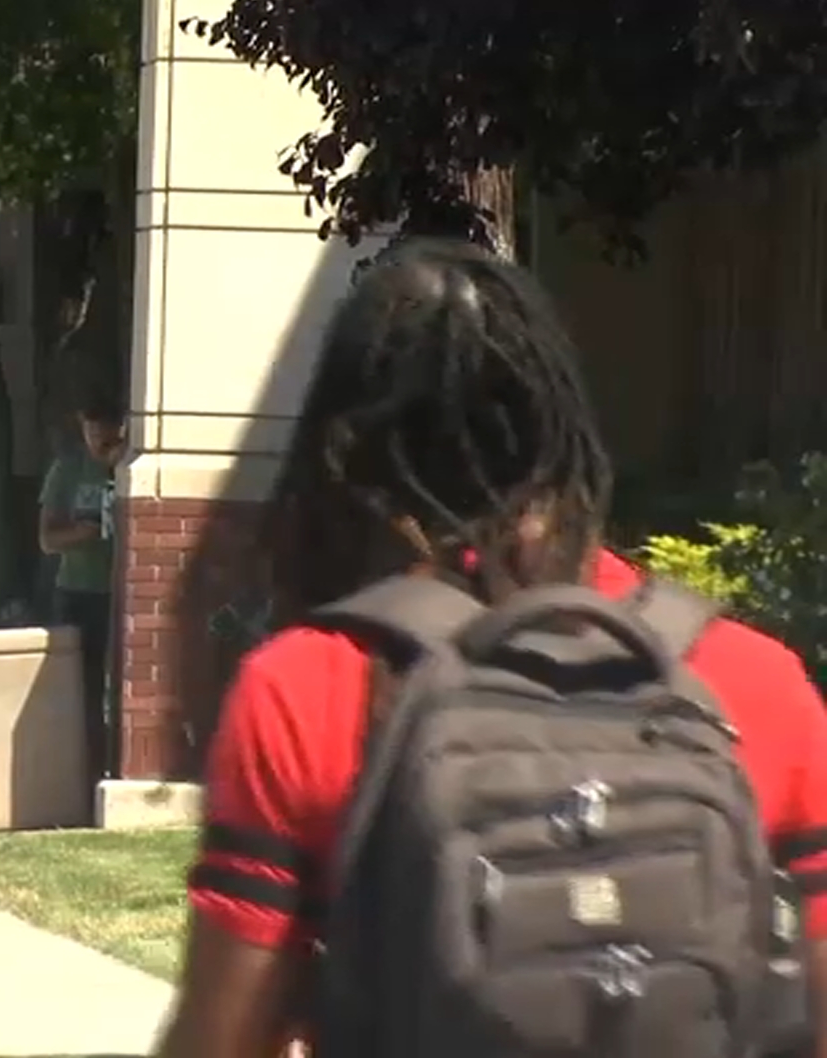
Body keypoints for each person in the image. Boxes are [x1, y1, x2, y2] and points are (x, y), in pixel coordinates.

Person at [157, 240, 827, 1058]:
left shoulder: (311, 687)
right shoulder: (753, 681)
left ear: (347, 458)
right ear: (565, 430)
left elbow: (220, 1042)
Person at [37, 393, 123, 781]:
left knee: (120, 683)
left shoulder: (128, 465)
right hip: (78, 590)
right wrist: (84, 532)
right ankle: (80, 768)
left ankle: (114, 760)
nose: (100, 437)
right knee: (79, 684)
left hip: (122, 590)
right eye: (92, 428)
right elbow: (47, 540)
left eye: (108, 428)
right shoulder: (69, 469)